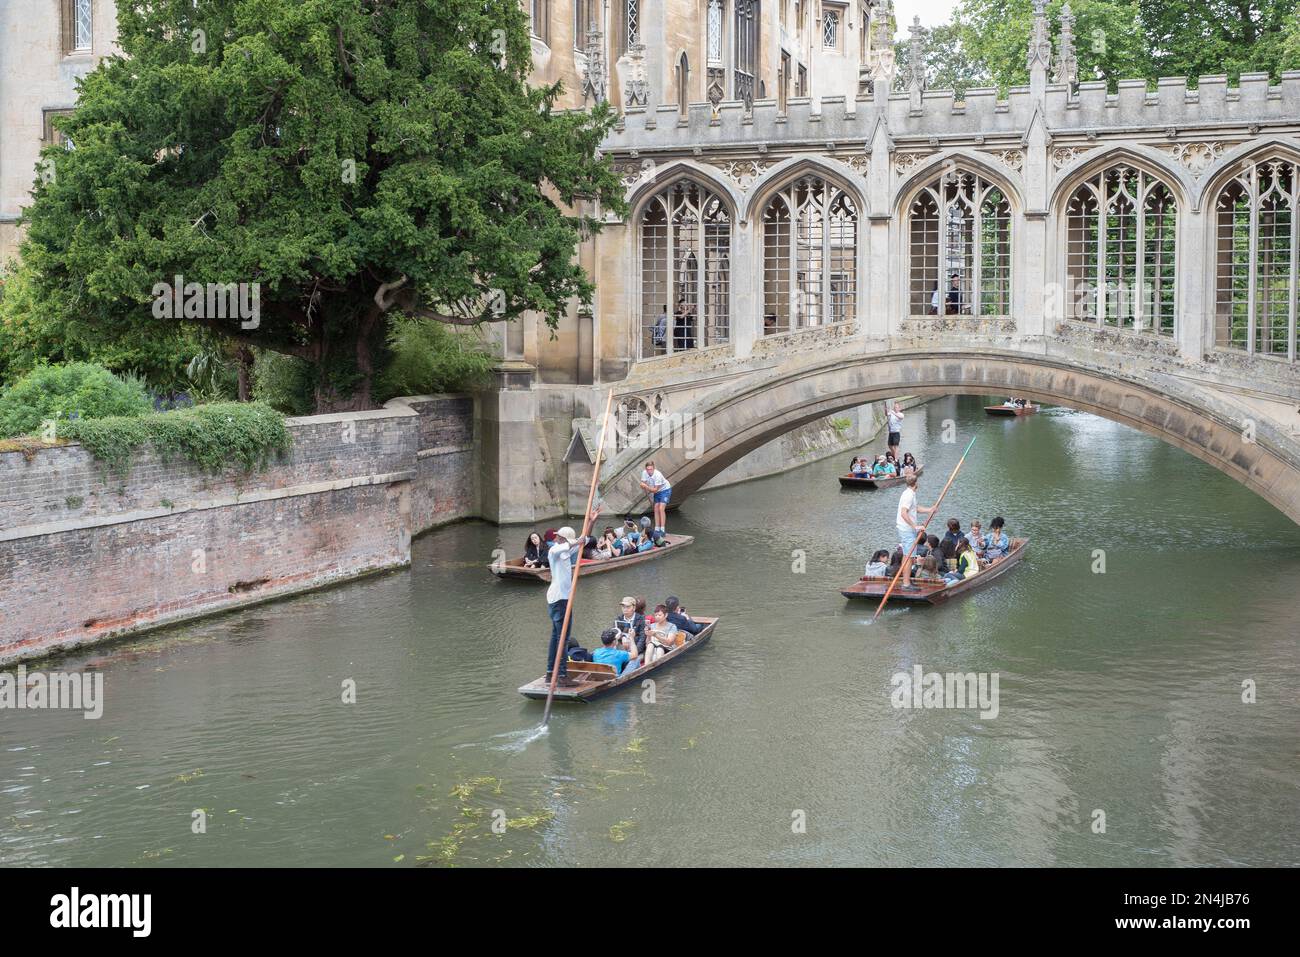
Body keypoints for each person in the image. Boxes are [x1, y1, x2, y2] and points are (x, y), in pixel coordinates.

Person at [544, 509, 599, 687]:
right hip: (559, 599)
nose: (556, 538)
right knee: (562, 638)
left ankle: (550, 673)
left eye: (559, 537)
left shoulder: (566, 550)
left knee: (555, 637)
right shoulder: (555, 550)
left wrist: (590, 522)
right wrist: (576, 541)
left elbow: (583, 539)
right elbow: (572, 543)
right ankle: (560, 675)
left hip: (560, 598)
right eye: (557, 537)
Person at [895, 474, 935, 589]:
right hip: (907, 530)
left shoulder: (910, 493)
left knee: (907, 556)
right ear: (916, 483)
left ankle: (905, 581)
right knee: (909, 557)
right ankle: (906, 584)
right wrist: (915, 526)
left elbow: (915, 508)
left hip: (906, 529)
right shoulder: (908, 495)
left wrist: (930, 510)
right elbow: (903, 513)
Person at [639, 461, 673, 536]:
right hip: (657, 492)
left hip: (665, 490)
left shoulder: (658, 475)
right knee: (656, 508)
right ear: (646, 469)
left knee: (661, 508)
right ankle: (657, 529)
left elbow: (655, 490)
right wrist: (642, 485)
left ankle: (662, 529)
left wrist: (646, 486)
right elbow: (642, 483)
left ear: (654, 468)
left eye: (651, 469)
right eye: (648, 469)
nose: (649, 471)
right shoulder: (644, 473)